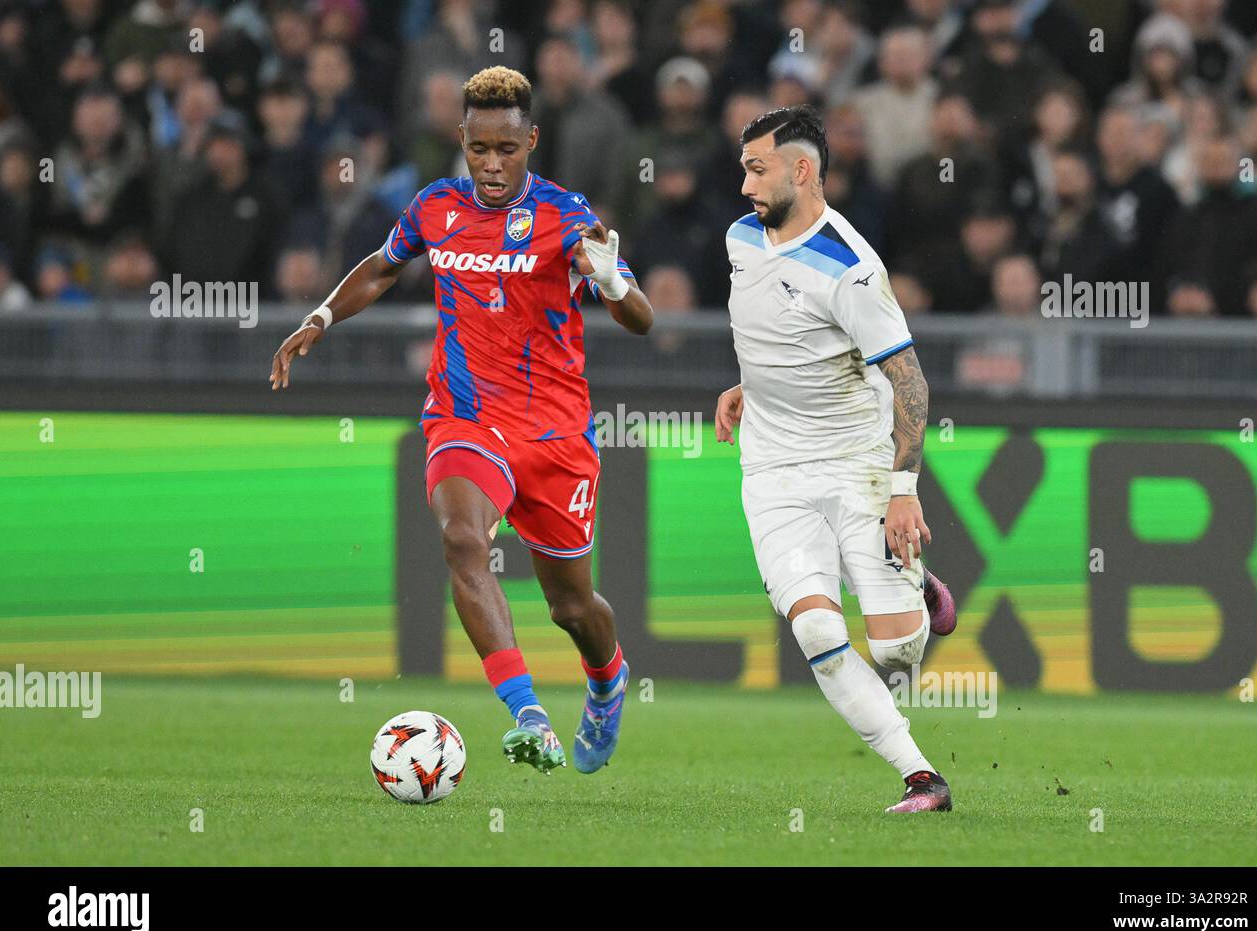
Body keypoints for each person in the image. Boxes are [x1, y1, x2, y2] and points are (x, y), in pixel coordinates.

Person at [270, 67, 654, 775]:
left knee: (572, 607)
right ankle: (528, 715)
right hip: (465, 418)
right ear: (463, 140)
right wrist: (321, 316)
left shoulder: (567, 215)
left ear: (530, 141)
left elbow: (641, 321)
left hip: (557, 434)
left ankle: (607, 681)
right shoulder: (434, 206)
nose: (492, 164)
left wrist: (611, 279)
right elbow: (385, 266)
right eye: (480, 148)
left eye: (506, 149)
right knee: (460, 538)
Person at [714, 105, 957, 814]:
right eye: (742, 168)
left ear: (802, 170)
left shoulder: (850, 269)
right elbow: (779, 334)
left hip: (857, 463)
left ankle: (919, 583)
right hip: (774, 467)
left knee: (898, 654)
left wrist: (903, 489)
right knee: (818, 628)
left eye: (757, 169)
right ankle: (923, 779)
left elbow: (910, 383)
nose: (744, 186)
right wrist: (748, 386)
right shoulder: (740, 238)